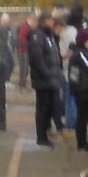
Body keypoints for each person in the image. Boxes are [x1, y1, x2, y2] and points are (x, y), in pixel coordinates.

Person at [28, 12, 65, 148]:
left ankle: (45, 135)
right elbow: (37, 58)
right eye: (50, 21)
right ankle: (41, 136)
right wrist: (47, 73)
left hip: (51, 78)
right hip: (43, 80)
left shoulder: (48, 36)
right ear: (43, 22)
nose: (53, 24)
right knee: (43, 108)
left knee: (49, 107)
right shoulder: (37, 36)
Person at [67, 34, 88, 153]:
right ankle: (81, 144)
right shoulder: (80, 54)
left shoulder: (78, 53)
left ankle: (82, 143)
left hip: (81, 89)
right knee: (83, 118)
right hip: (82, 90)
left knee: (83, 117)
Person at [0, 13, 15, 87]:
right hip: (3, 50)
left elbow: (12, 39)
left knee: (12, 64)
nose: (8, 22)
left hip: (8, 50)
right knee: (6, 65)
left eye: (9, 20)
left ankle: (7, 80)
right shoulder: (0, 29)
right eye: (6, 20)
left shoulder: (10, 29)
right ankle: (5, 81)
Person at [15, 14, 33, 89]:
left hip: (22, 50)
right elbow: (21, 38)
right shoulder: (25, 27)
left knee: (24, 68)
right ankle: (22, 84)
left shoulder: (26, 26)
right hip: (23, 50)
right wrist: (29, 43)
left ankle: (22, 84)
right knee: (24, 68)